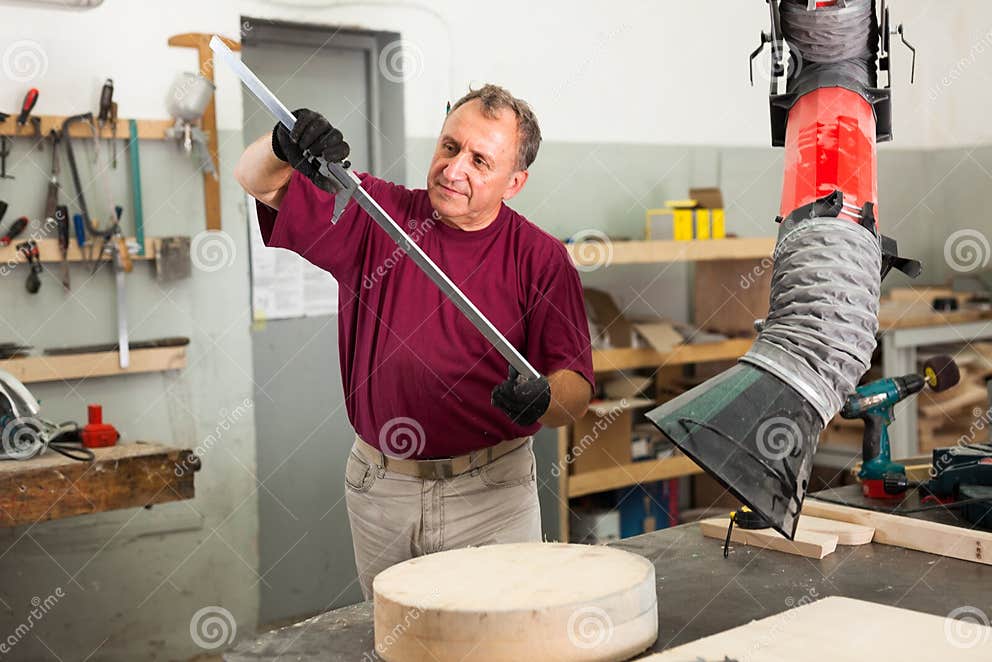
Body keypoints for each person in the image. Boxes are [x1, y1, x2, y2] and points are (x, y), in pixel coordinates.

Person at [235, 84, 594, 597]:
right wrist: (280, 144)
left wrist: (545, 397)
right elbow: (255, 181)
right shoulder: (375, 212)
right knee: (398, 644)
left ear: (514, 182)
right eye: (449, 147)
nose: (454, 170)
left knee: (500, 643)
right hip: (382, 490)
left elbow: (575, 393)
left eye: (479, 161)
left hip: (492, 493)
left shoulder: (541, 258)